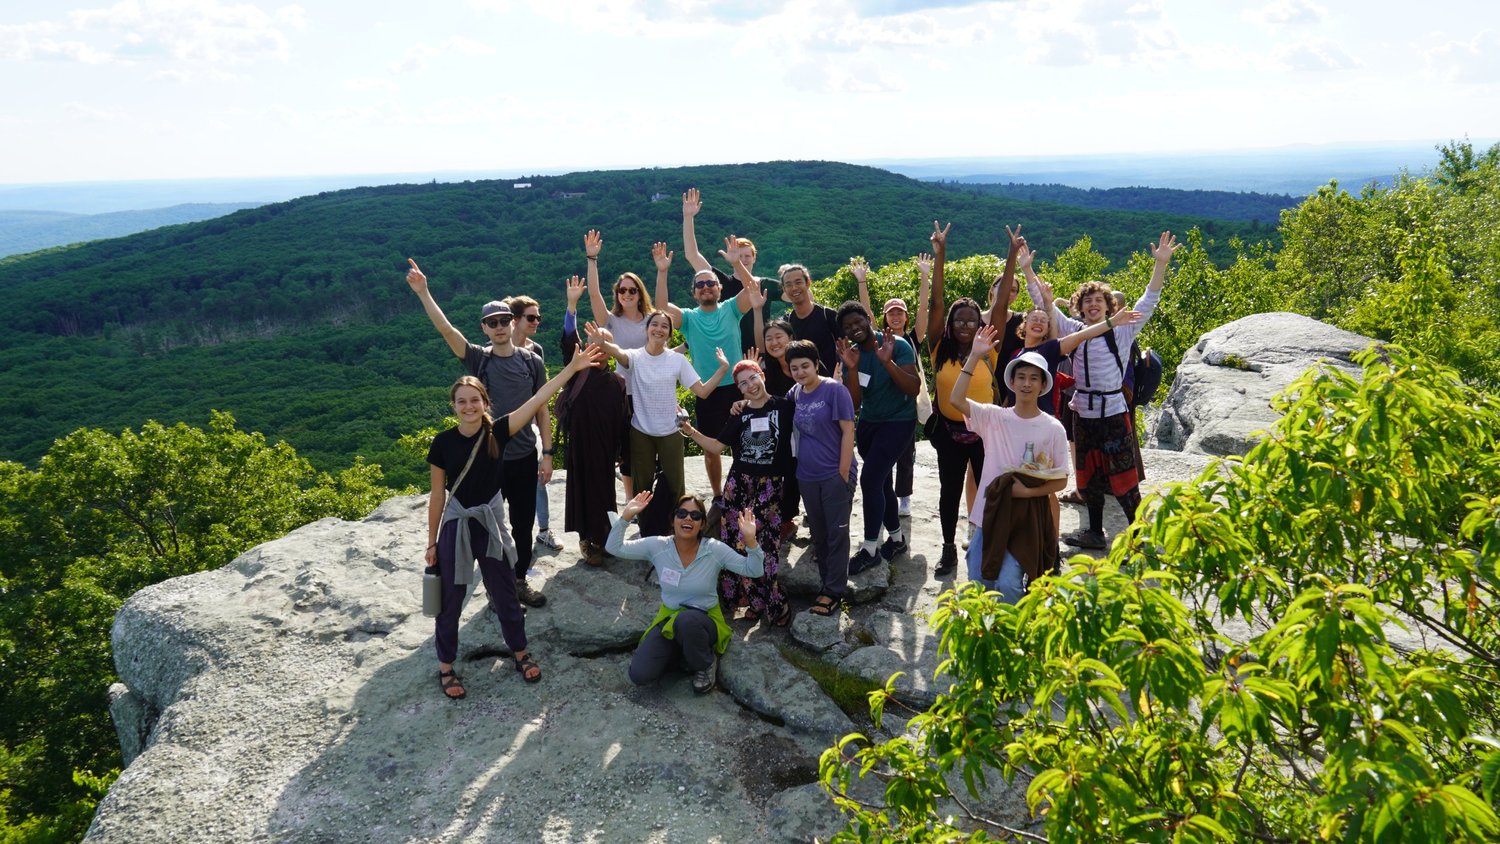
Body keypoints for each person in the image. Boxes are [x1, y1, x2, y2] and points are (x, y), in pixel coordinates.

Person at [425, 346, 602, 700]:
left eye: (474, 400)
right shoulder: (442, 443)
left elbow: (539, 397)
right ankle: (445, 665)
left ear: (485, 402)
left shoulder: (499, 431)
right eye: (461, 401)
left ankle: (519, 651)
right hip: (457, 528)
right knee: (450, 600)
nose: (469, 407)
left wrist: (572, 369)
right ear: (453, 406)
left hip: (489, 525)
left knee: (505, 592)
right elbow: (437, 497)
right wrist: (431, 543)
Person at [406, 259, 550, 608]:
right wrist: (424, 292)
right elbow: (446, 330)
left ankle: (517, 581)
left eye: (504, 320)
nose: (499, 327)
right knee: (488, 522)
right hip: (488, 456)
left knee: (522, 522)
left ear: (513, 322)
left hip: (523, 453)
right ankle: (492, 578)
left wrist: (547, 452)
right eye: (492, 323)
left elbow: (542, 407)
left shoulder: (532, 362)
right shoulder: (478, 359)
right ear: (484, 328)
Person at [1041, 232, 1181, 550]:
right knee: (1087, 474)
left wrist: (1160, 264)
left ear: (1109, 306)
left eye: (1099, 300)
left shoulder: (1124, 329)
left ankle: (1137, 533)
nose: (1092, 304)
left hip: (1114, 411)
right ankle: (1094, 531)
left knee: (1123, 477)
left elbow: (1150, 298)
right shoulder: (1074, 330)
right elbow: (1043, 303)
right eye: (1087, 300)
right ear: (1080, 306)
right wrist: (1025, 268)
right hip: (1084, 411)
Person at [948, 334, 1070, 603]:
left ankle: (1013, 637)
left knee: (1009, 584)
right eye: (1022, 377)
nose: (1027, 383)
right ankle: (985, 637)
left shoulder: (1053, 428)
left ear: (1043, 385)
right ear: (1012, 382)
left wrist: (1023, 492)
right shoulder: (995, 417)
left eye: (1034, 378)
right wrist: (974, 356)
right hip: (988, 516)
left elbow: (1060, 480)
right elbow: (955, 400)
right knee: (978, 580)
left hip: (1025, 519)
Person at [606, 492, 764, 694]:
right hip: (669, 618)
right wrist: (626, 517)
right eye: (682, 513)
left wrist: (751, 541)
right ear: (673, 520)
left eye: (695, 516)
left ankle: (705, 663)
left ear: (702, 524)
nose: (688, 518)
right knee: (640, 674)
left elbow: (754, 570)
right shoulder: (658, 546)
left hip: (705, 621)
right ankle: (685, 654)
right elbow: (614, 547)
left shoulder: (713, 550)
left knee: (687, 621)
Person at [680, 359, 794, 627]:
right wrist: (689, 429)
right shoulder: (739, 414)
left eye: (752, 378)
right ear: (739, 390)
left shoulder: (785, 406)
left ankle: (774, 602)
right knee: (735, 543)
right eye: (742, 383)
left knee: (764, 545)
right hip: (738, 486)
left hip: (769, 486)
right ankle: (753, 601)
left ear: (761, 375)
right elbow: (717, 446)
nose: (749, 385)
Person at [585, 312, 729, 512]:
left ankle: (677, 528)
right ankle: (646, 530)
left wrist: (723, 369)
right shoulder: (635, 357)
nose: (659, 329)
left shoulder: (677, 360)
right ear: (647, 329)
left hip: (671, 432)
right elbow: (618, 352)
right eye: (654, 324)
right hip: (641, 432)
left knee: (676, 485)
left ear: (670, 334)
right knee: (641, 488)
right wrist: (604, 344)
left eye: (664, 326)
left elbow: (702, 392)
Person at [655, 251, 763, 502]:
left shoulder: (731, 309)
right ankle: (718, 495)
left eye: (710, 283)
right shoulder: (689, 318)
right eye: (700, 285)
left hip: (740, 388)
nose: (705, 288)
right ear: (694, 293)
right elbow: (660, 308)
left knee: (745, 443)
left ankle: (747, 492)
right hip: (708, 390)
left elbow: (752, 287)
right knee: (711, 448)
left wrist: (737, 262)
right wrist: (662, 272)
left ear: (719, 288)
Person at [836, 300, 919, 574]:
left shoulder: (897, 345)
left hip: (898, 422)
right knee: (881, 479)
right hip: (869, 424)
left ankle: (870, 549)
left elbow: (914, 387)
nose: (855, 328)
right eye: (848, 327)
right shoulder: (853, 355)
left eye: (858, 322)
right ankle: (896, 539)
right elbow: (855, 403)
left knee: (870, 478)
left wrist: (888, 362)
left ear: (868, 320)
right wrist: (851, 368)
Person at [583, 230, 662, 499]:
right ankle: (632, 501)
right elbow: (593, 294)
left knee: (654, 446)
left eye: (632, 290)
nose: (626, 294)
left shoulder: (652, 319)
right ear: (617, 294)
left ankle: (655, 497)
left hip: (652, 391)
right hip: (624, 393)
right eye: (621, 290)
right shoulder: (611, 321)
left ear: (640, 294)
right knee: (628, 450)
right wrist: (591, 259)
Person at [853, 254, 932, 519]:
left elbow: (924, 309)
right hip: (877, 405)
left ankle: (905, 497)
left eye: (900, 313)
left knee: (906, 452)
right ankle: (886, 491)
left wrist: (924, 276)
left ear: (906, 318)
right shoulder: (876, 337)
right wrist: (862, 282)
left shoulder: (912, 338)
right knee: (880, 455)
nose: (896, 317)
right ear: (885, 318)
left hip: (903, 406)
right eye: (891, 313)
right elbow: (865, 313)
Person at [560, 276, 629, 566]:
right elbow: (567, 338)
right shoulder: (577, 371)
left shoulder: (616, 382)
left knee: (604, 493)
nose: (598, 350)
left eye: (605, 346)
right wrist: (571, 305)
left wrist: (621, 453)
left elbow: (622, 420)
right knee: (581, 491)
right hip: (579, 445)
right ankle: (587, 540)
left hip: (603, 449)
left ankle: (604, 539)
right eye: (593, 344)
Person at [785, 339, 856, 616]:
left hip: (834, 473)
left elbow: (849, 431)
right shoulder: (796, 393)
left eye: (805, 366)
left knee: (837, 534)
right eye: (795, 368)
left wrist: (842, 471)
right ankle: (828, 584)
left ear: (816, 364)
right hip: (807, 475)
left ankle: (834, 591)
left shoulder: (834, 390)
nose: (801, 372)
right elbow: (776, 407)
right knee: (820, 534)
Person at [926, 294, 994, 576]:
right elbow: (937, 305)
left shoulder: (989, 348)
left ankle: (988, 544)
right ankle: (949, 547)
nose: (964, 325)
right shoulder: (939, 347)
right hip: (949, 433)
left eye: (971, 320)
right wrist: (939, 255)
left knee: (989, 492)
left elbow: (1000, 305)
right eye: (959, 319)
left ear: (980, 323)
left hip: (985, 434)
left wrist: (1013, 255)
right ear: (950, 324)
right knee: (949, 492)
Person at [681, 187, 783, 358]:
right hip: (729, 356)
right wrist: (688, 217)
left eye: (747, 256)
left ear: (754, 258)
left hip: (764, 356)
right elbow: (692, 255)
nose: (743, 259)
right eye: (738, 256)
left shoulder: (764, 285)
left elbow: (796, 295)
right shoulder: (719, 283)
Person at [507, 293, 563, 554]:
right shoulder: (493, 349)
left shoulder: (535, 352)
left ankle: (543, 530)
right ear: (515, 320)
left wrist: (548, 447)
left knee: (539, 478)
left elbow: (541, 398)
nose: (536, 322)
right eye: (531, 318)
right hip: (502, 429)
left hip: (529, 427)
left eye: (538, 317)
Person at [780, 262, 843, 376]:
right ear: (784, 289)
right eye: (788, 285)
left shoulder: (828, 315)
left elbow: (845, 349)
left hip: (833, 383)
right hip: (804, 386)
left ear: (808, 283)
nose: (794, 288)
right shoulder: (786, 323)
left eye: (798, 282)